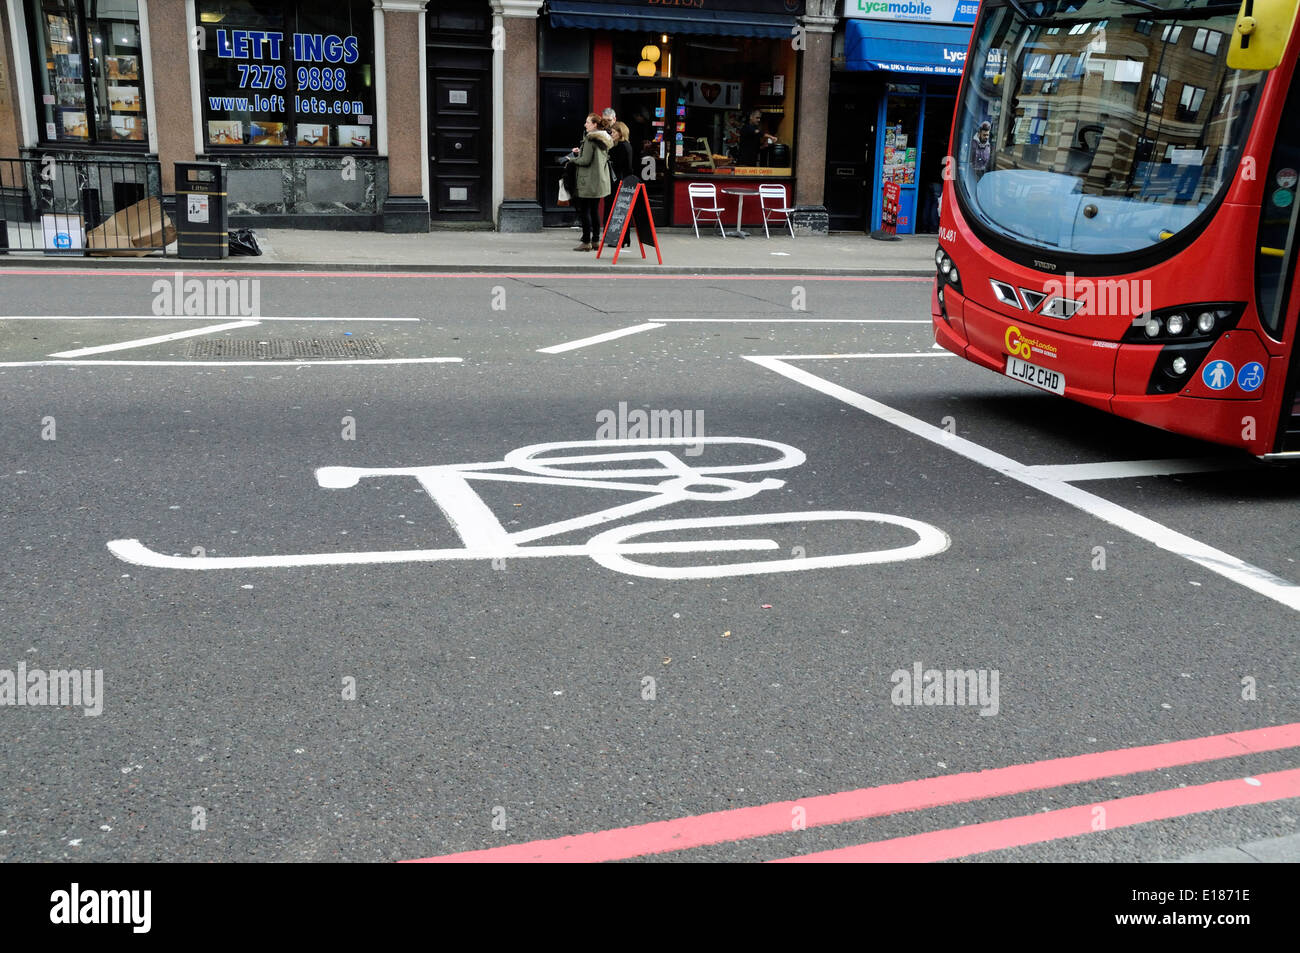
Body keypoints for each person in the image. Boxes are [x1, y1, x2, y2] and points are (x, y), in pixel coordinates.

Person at [570, 113, 613, 251]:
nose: (585, 124)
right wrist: (580, 154)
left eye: (588, 122)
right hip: (599, 180)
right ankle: (595, 241)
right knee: (594, 211)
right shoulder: (605, 139)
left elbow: (585, 160)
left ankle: (586, 242)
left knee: (585, 211)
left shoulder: (590, 139)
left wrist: (571, 160)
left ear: (595, 124)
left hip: (588, 180)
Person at [608, 121, 635, 248]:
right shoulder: (627, 145)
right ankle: (625, 238)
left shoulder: (620, 147)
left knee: (617, 210)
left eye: (613, 132)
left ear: (620, 133)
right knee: (622, 210)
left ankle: (619, 238)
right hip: (623, 180)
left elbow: (620, 165)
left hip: (618, 180)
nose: (611, 134)